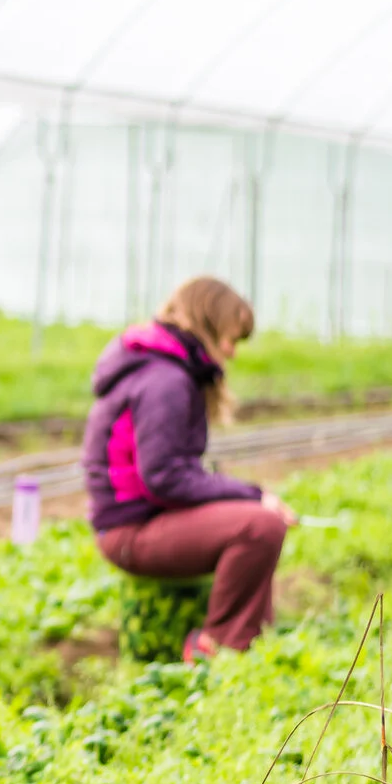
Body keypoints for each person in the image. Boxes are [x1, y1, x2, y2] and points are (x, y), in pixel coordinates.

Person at [83, 276, 297, 660]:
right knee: (259, 525)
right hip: (130, 530)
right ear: (208, 325)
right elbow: (164, 476)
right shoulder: (165, 381)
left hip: (142, 521)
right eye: (230, 339)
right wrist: (255, 495)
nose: (231, 353)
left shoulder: (163, 370)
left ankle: (253, 644)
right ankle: (218, 647)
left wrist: (250, 497)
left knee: (258, 520)